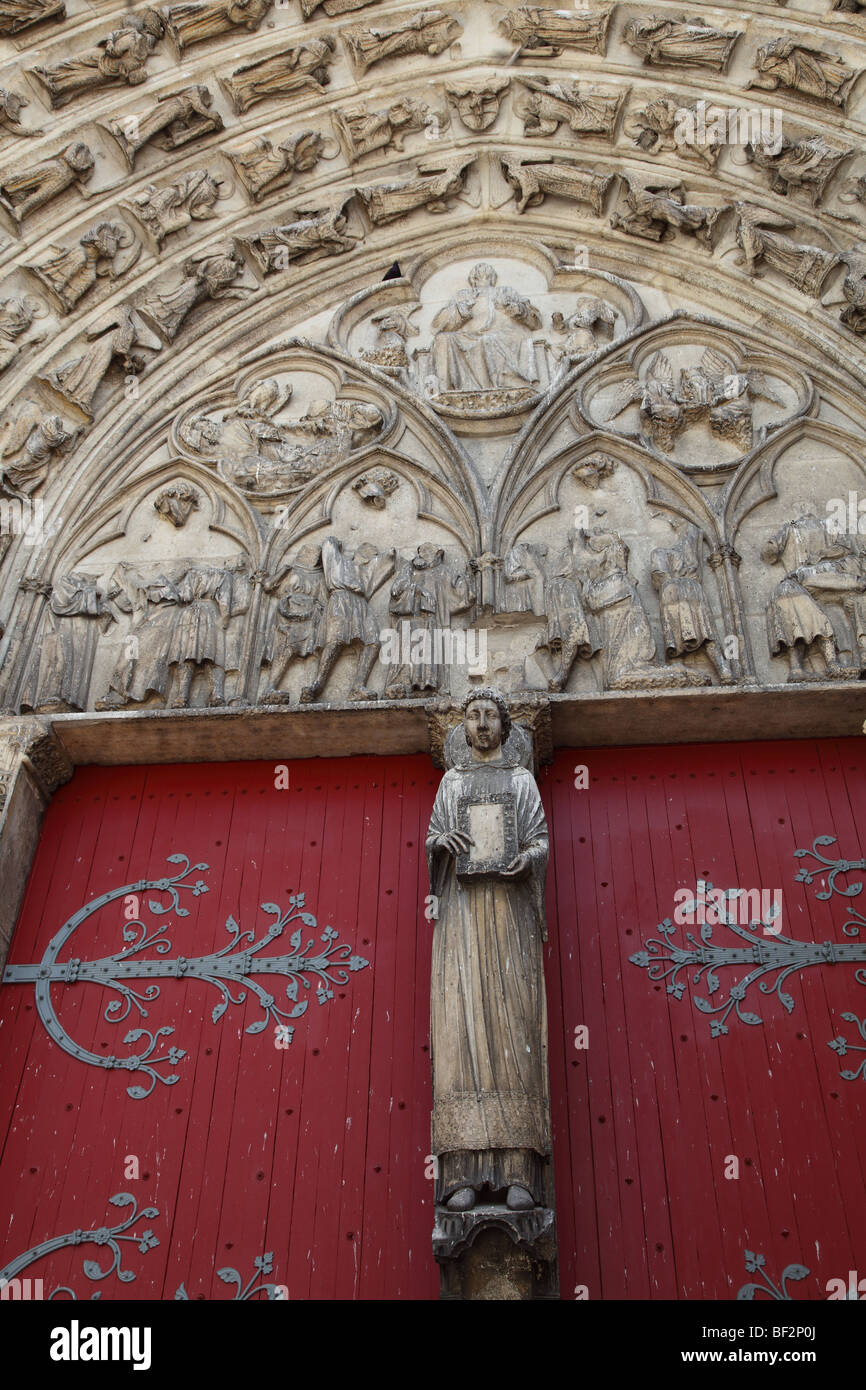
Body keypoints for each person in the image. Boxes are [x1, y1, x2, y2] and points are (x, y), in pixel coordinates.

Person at [426, 688, 551, 1212]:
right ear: (464, 728)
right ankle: (461, 1173)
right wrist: (441, 845)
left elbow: (540, 839)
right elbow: (435, 838)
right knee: (461, 1033)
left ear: (504, 726)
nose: (480, 724)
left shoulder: (521, 781)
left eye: (489, 716)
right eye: (472, 716)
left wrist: (528, 860)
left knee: (512, 1029)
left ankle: (519, 1168)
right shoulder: (451, 783)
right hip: (461, 922)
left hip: (510, 923)